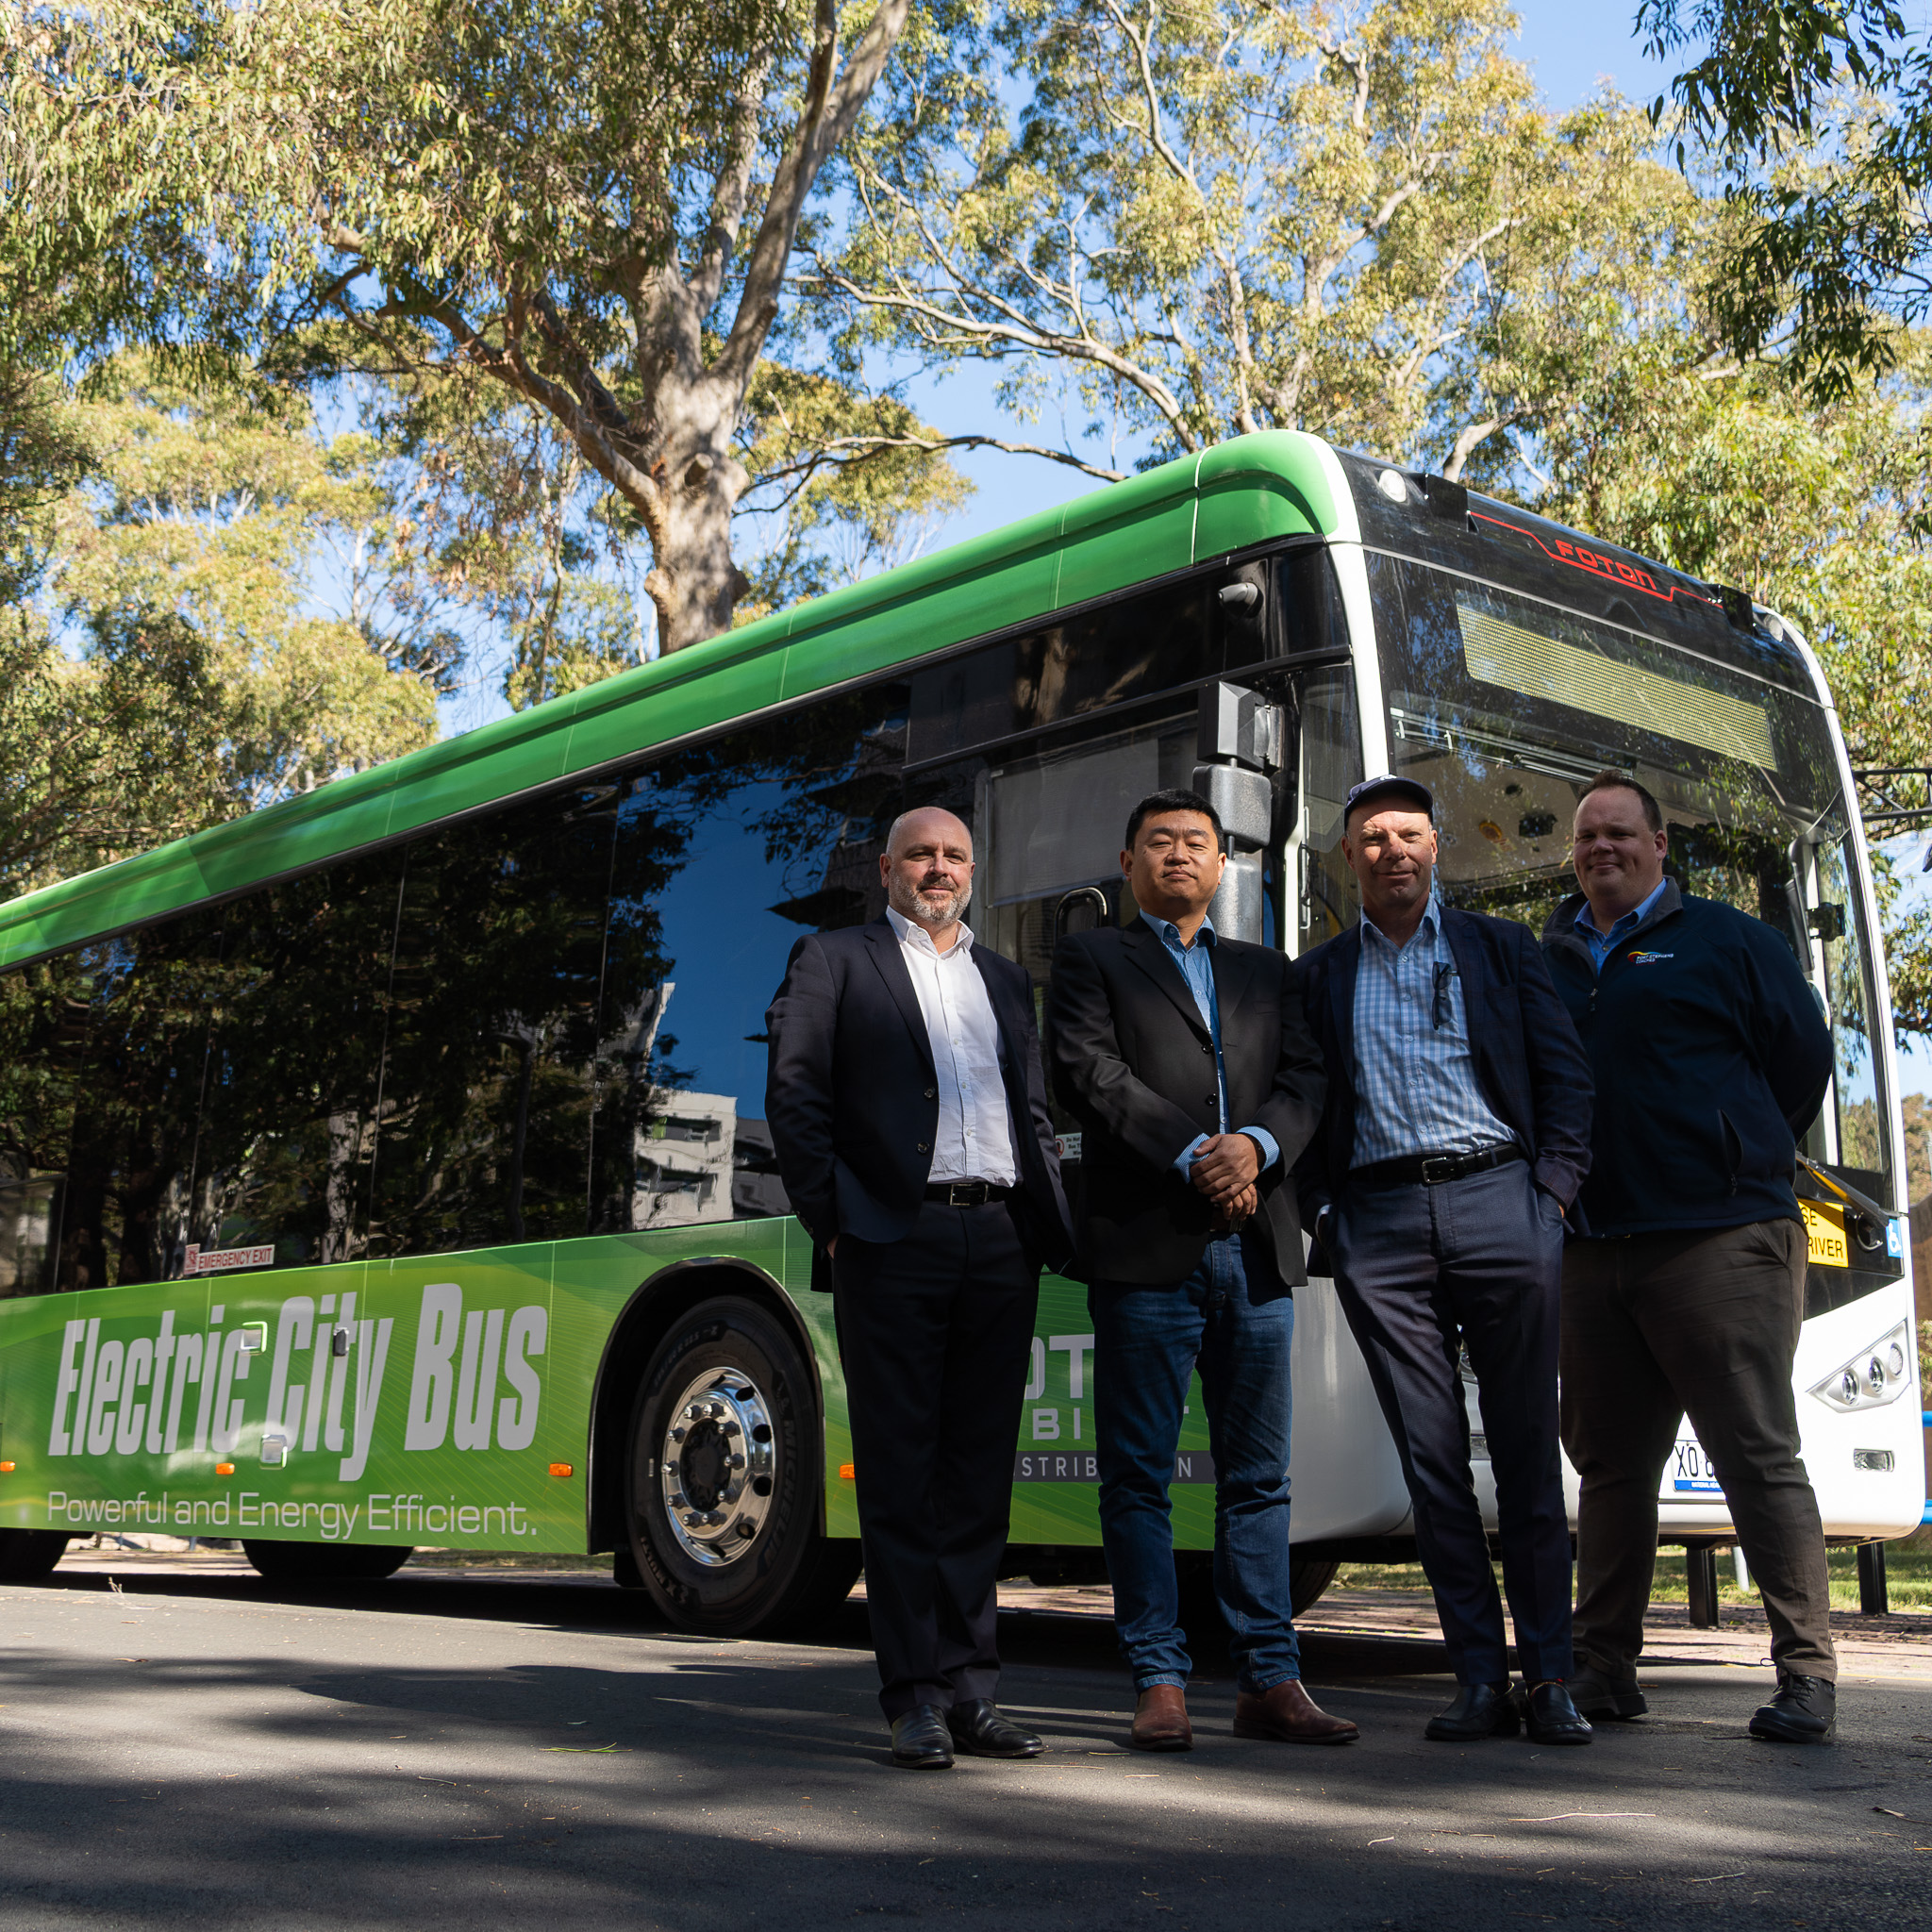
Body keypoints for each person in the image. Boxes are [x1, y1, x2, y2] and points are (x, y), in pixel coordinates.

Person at [764, 805, 1075, 1770]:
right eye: (919, 855)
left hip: (998, 1235)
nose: (937, 869)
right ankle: (912, 1699)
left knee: (978, 1477)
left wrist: (1042, 1220)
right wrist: (837, 1218)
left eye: (952, 855)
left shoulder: (1004, 978)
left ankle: (971, 1690)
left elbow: (1028, 1106)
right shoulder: (833, 959)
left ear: (971, 870)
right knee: (901, 1475)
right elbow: (796, 1092)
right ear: (887, 870)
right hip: (892, 1238)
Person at [1047, 788, 1354, 1752]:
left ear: (1222, 867)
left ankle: (1269, 1674)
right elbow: (1091, 1076)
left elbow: (1310, 1082)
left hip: (1257, 1249)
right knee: (1137, 1475)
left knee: (1258, 1475)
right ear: (1128, 861)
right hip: (1147, 1251)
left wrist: (1255, 1148)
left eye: (1196, 843)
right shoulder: (1091, 956)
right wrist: (1196, 1154)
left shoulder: (1270, 972)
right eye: (1158, 842)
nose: (1178, 855)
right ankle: (1158, 1676)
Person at [1294, 774, 1594, 1745]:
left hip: (1501, 1202)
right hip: (1377, 1222)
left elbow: (1564, 1077)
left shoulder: (1502, 950)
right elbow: (1300, 1102)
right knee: (1431, 1465)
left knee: (1523, 1456)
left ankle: (1549, 1679)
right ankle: (1476, 1677)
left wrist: (1547, 1193)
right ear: (1347, 857)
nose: (1391, 850)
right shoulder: (1320, 974)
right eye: (1370, 836)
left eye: (1408, 834)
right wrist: (1328, 1216)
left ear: (1437, 847)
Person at [1543, 772, 1839, 1744]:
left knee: (1754, 1454)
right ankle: (1602, 1669)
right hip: (1590, 1248)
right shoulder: (1547, 956)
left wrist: (1731, 1145)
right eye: (1587, 836)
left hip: (1718, 1237)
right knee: (1608, 1469)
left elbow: (1798, 1058)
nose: (1601, 848)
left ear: (1659, 845)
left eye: (1620, 833)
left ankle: (1803, 1674)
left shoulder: (1726, 940)